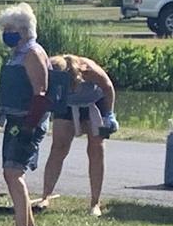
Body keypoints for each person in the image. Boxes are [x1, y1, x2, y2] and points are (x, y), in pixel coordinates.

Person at [0, 3, 52, 226]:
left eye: (9, 29)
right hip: (14, 120)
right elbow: (9, 95)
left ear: (22, 30)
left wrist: (30, 125)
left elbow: (40, 94)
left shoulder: (32, 54)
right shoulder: (16, 55)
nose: (5, 33)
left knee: (13, 173)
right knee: (12, 173)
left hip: (28, 123)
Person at [38, 53, 120, 217]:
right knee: (58, 148)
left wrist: (109, 115)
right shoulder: (49, 69)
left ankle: (95, 203)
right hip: (67, 106)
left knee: (96, 149)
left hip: (94, 103)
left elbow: (108, 87)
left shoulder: (87, 69)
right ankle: (45, 197)